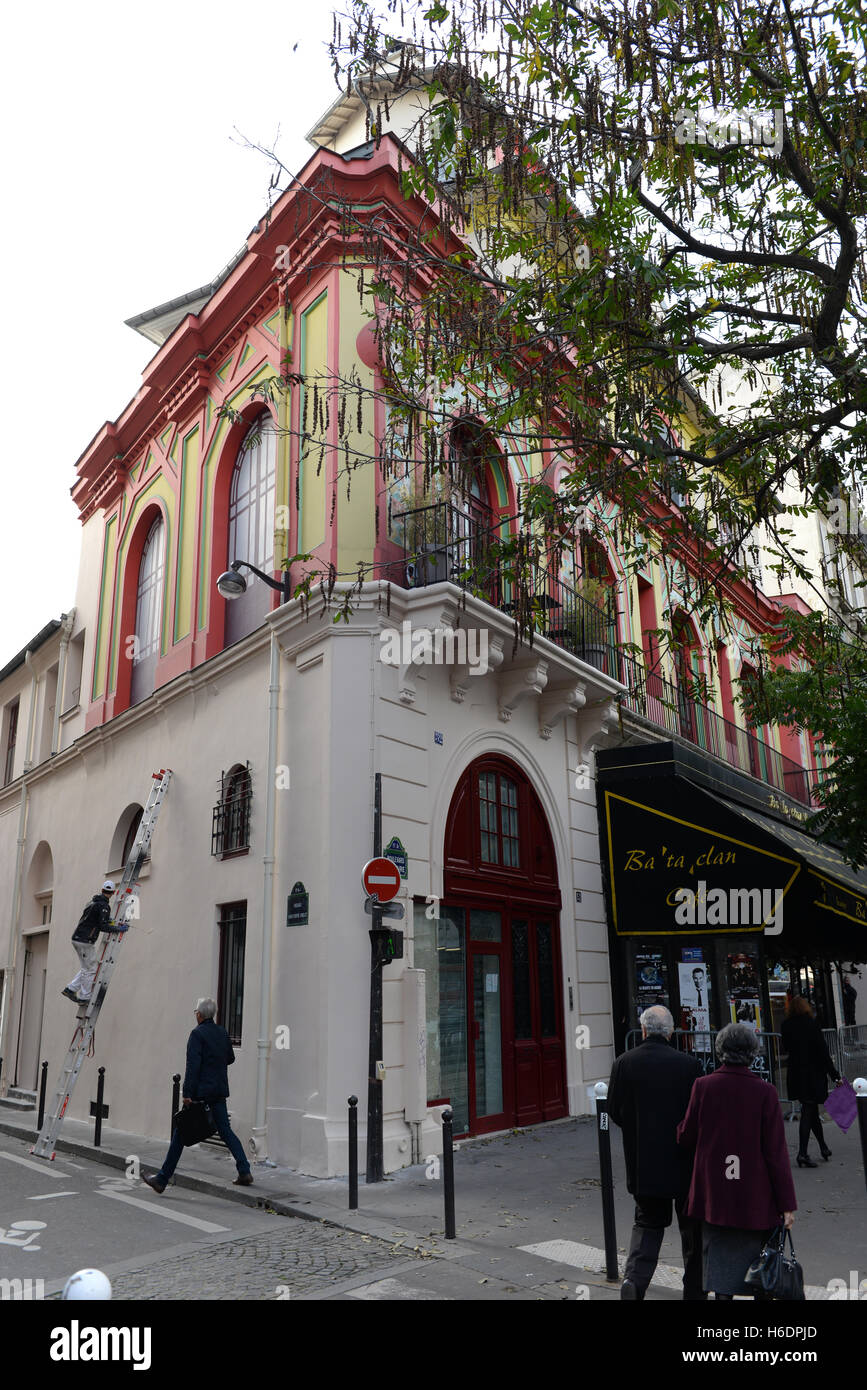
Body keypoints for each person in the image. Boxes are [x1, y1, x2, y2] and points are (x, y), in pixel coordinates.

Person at [676, 1022, 796, 1300]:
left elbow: (686, 1136)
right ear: (752, 1053)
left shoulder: (703, 1086)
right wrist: (787, 1204)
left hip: (714, 1194)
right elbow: (776, 1153)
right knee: (759, 1263)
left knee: (719, 1264)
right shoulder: (765, 1091)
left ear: (720, 1051)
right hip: (755, 1196)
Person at [607, 1005, 704, 1301]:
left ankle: (634, 1281)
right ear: (671, 1031)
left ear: (643, 1030)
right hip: (684, 1162)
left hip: (644, 1161)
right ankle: (695, 1291)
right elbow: (698, 1115)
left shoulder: (624, 1063)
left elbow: (614, 1111)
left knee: (647, 1224)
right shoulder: (689, 1065)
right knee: (693, 1230)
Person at [142, 998, 252, 1193]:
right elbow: (230, 1058)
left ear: (199, 1014)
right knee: (225, 1131)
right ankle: (244, 1171)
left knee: (180, 1132)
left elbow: (193, 1065)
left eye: (196, 1012)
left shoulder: (197, 1034)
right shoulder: (222, 1032)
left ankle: (161, 1179)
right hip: (219, 1091)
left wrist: (187, 1093)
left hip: (201, 1094)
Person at [780, 994, 841, 1166]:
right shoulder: (811, 1024)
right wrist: (834, 1075)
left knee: (811, 1111)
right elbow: (823, 1051)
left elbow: (786, 1048)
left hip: (796, 1074)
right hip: (812, 1074)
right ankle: (802, 1153)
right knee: (808, 1111)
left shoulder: (786, 1025)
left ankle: (823, 1147)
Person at [62, 880, 124, 1004]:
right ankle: (85, 997)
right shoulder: (104, 906)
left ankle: (70, 989)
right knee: (90, 969)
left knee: (87, 967)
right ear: (113, 893)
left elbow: (93, 919)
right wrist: (118, 929)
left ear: (102, 890)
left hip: (78, 938)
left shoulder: (92, 902)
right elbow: (102, 926)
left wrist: (109, 921)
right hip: (85, 940)